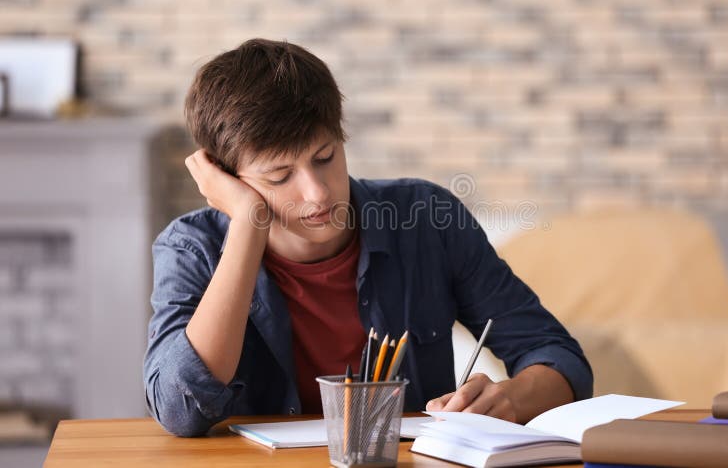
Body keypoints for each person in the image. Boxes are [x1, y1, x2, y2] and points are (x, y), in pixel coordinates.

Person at [143, 38, 592, 437]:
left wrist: (515, 398)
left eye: (325, 157)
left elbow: (558, 356)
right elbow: (180, 410)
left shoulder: (427, 219)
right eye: (279, 176)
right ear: (225, 178)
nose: (317, 192)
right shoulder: (191, 249)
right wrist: (246, 223)